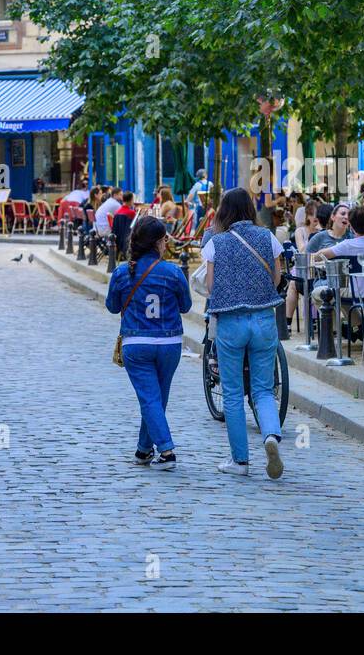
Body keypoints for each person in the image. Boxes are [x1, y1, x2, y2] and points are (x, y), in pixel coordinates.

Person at [201, 187, 286, 479]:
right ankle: (271, 435)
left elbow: (210, 286)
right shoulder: (268, 237)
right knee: (263, 389)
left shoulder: (216, 242)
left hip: (231, 323)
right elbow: (276, 277)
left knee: (234, 393)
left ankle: (240, 461)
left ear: (225, 211)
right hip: (264, 320)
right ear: (250, 209)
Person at [105, 216, 191, 470]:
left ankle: (166, 451)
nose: (167, 243)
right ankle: (144, 450)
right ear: (156, 243)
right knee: (156, 399)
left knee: (150, 399)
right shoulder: (173, 272)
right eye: (165, 239)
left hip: (136, 343)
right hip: (169, 343)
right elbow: (186, 306)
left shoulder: (122, 272)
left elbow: (112, 306)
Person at [315, 205, 364, 298]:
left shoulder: (348, 245)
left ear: (351, 226)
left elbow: (318, 256)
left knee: (316, 293)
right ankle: (357, 312)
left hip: (360, 296)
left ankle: (355, 313)